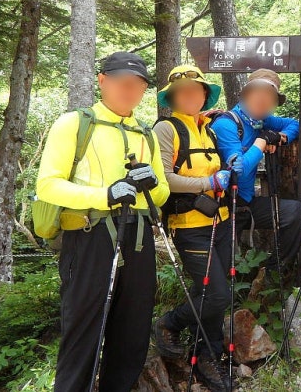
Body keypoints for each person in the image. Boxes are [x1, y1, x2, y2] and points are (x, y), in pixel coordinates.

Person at [37, 52, 170, 391]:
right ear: (102, 81)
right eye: (122, 82)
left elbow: (161, 195)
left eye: (138, 85)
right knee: (84, 332)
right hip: (89, 235)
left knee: (132, 331)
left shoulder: (146, 133)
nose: (130, 90)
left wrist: (153, 183)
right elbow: (48, 185)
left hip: (138, 237)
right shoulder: (74, 124)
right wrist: (104, 195)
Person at [151, 65, 231, 389]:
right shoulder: (165, 129)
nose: (189, 95)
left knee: (208, 292)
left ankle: (207, 356)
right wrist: (208, 183)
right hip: (189, 225)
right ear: (171, 98)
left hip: (220, 221)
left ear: (204, 95)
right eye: (182, 91)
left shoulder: (208, 129)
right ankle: (169, 323)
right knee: (217, 295)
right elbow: (164, 178)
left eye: (195, 90)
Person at [211, 68, 301, 276]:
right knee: (221, 276)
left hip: (246, 204)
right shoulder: (227, 124)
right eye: (257, 93)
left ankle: (270, 274)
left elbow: (294, 124)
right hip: (224, 207)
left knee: (294, 212)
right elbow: (239, 171)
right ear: (245, 95)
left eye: (269, 97)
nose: (263, 101)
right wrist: (262, 142)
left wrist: (281, 137)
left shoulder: (261, 121)